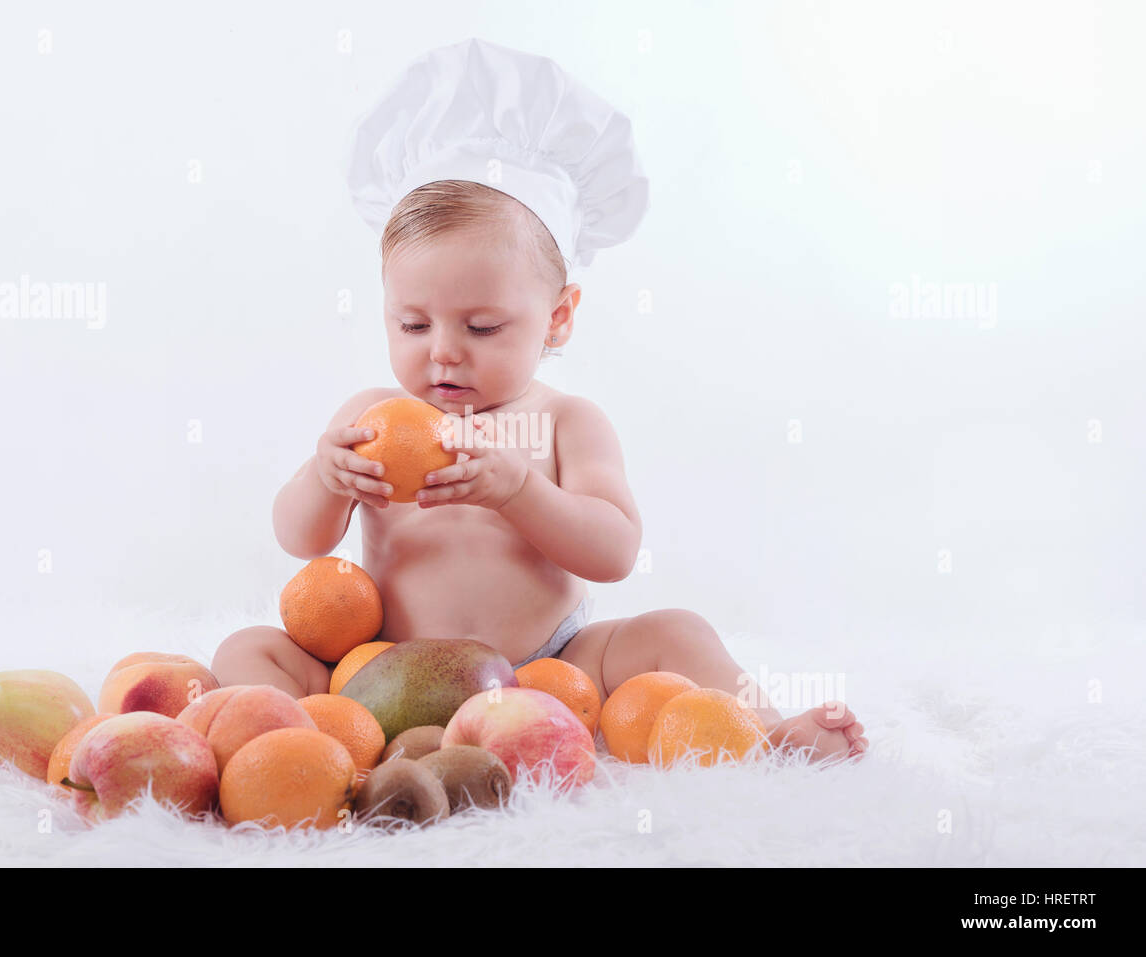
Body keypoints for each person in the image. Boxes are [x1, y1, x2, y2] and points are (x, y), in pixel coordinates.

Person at [213, 38, 866, 764]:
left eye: (483, 326)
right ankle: (304, 754)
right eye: (412, 323)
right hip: (386, 676)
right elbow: (298, 538)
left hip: (548, 672)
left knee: (678, 631)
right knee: (248, 648)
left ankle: (769, 730)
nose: (442, 351)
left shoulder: (565, 421)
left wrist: (519, 488)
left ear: (558, 317)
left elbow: (615, 549)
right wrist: (323, 476)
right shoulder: (369, 414)